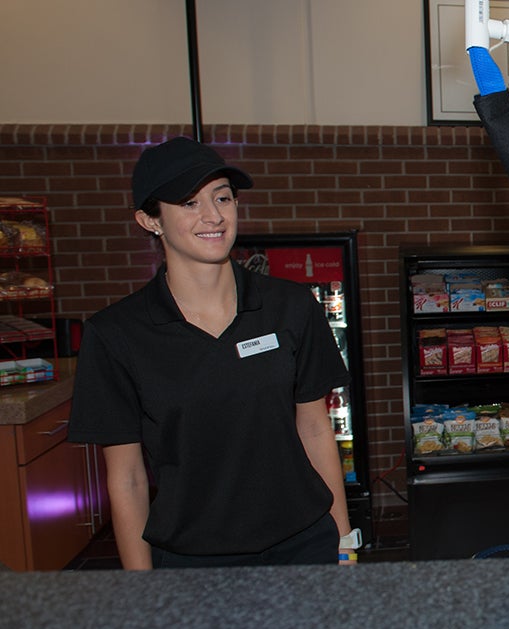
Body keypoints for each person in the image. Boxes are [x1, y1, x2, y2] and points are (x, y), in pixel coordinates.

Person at [67, 137, 357, 569]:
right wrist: (140, 593)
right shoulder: (115, 335)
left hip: (303, 548)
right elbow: (127, 479)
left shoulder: (291, 308)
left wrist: (344, 543)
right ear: (150, 221)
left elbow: (315, 430)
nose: (214, 216)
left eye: (222, 197)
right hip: (191, 562)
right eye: (188, 203)